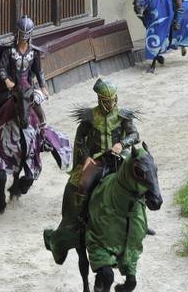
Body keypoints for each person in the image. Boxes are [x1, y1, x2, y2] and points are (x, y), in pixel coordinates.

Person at [43, 78, 139, 265]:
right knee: (81, 184)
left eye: (112, 99)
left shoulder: (124, 116)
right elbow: (80, 140)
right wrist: (86, 157)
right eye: (107, 100)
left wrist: (122, 143)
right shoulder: (89, 117)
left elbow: (135, 135)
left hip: (119, 157)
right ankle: (77, 219)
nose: (111, 103)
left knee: (139, 179)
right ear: (99, 99)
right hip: (97, 160)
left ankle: (138, 218)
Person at [0, 16, 48, 147]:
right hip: (10, 86)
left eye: (26, 35)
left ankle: (43, 137)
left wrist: (43, 87)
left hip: (28, 86)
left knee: (39, 110)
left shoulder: (34, 53)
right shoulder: (9, 50)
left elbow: (38, 70)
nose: (24, 38)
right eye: (22, 34)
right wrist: (7, 81)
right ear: (18, 33)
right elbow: (2, 68)